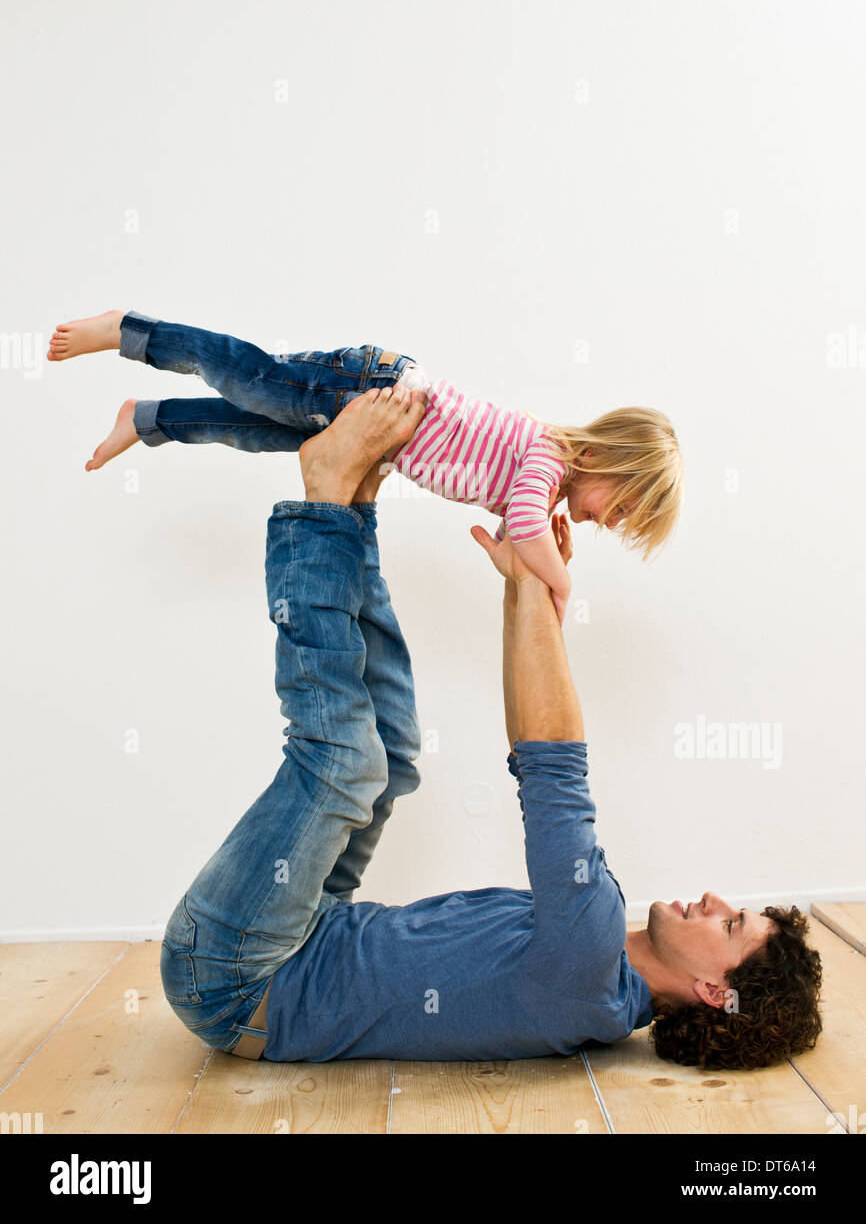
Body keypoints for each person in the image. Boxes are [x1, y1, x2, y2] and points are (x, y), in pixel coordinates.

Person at [140, 385, 819, 1070]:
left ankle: (323, 507)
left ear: (712, 990)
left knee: (346, 764)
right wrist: (525, 587)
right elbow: (531, 753)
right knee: (397, 756)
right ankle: (354, 505)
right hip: (309, 927)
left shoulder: (589, 964)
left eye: (731, 924)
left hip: (236, 975)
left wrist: (541, 591)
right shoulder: (596, 960)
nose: (714, 900)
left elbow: (554, 769)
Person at [46, 310, 683, 621]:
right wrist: (561, 585)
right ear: (597, 457)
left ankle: (147, 417)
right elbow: (526, 519)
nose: (607, 520)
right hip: (371, 389)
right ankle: (129, 331)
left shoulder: (540, 486)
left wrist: (527, 564)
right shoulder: (548, 457)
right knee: (252, 379)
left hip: (372, 429)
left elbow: (522, 530)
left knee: (251, 430)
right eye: (619, 506)